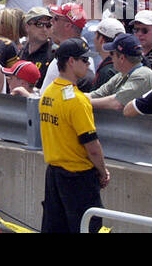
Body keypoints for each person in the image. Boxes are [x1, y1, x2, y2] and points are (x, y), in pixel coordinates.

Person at [39, 37, 109, 234]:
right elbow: (92, 146)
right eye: (84, 60)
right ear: (71, 61)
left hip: (54, 174)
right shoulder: (78, 101)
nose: (88, 64)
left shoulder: (48, 93)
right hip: (79, 178)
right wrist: (103, 172)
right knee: (88, 228)